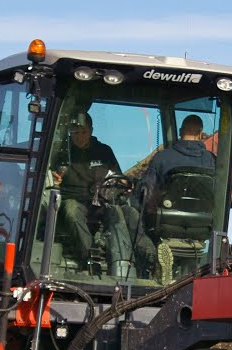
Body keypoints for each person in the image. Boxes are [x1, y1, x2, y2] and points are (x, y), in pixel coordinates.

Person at [51, 113, 140, 276]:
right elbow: (52, 177)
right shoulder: (62, 152)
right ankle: (89, 258)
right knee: (71, 210)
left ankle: (141, 260)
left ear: (91, 131)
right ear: (70, 132)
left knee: (130, 214)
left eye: (83, 132)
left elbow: (116, 177)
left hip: (102, 201)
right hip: (74, 199)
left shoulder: (104, 151)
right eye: (75, 133)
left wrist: (122, 187)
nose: (79, 137)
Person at [142, 115, 216, 211]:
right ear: (201, 134)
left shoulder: (161, 157)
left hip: (165, 221)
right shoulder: (212, 160)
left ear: (180, 131)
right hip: (204, 222)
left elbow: (147, 193)